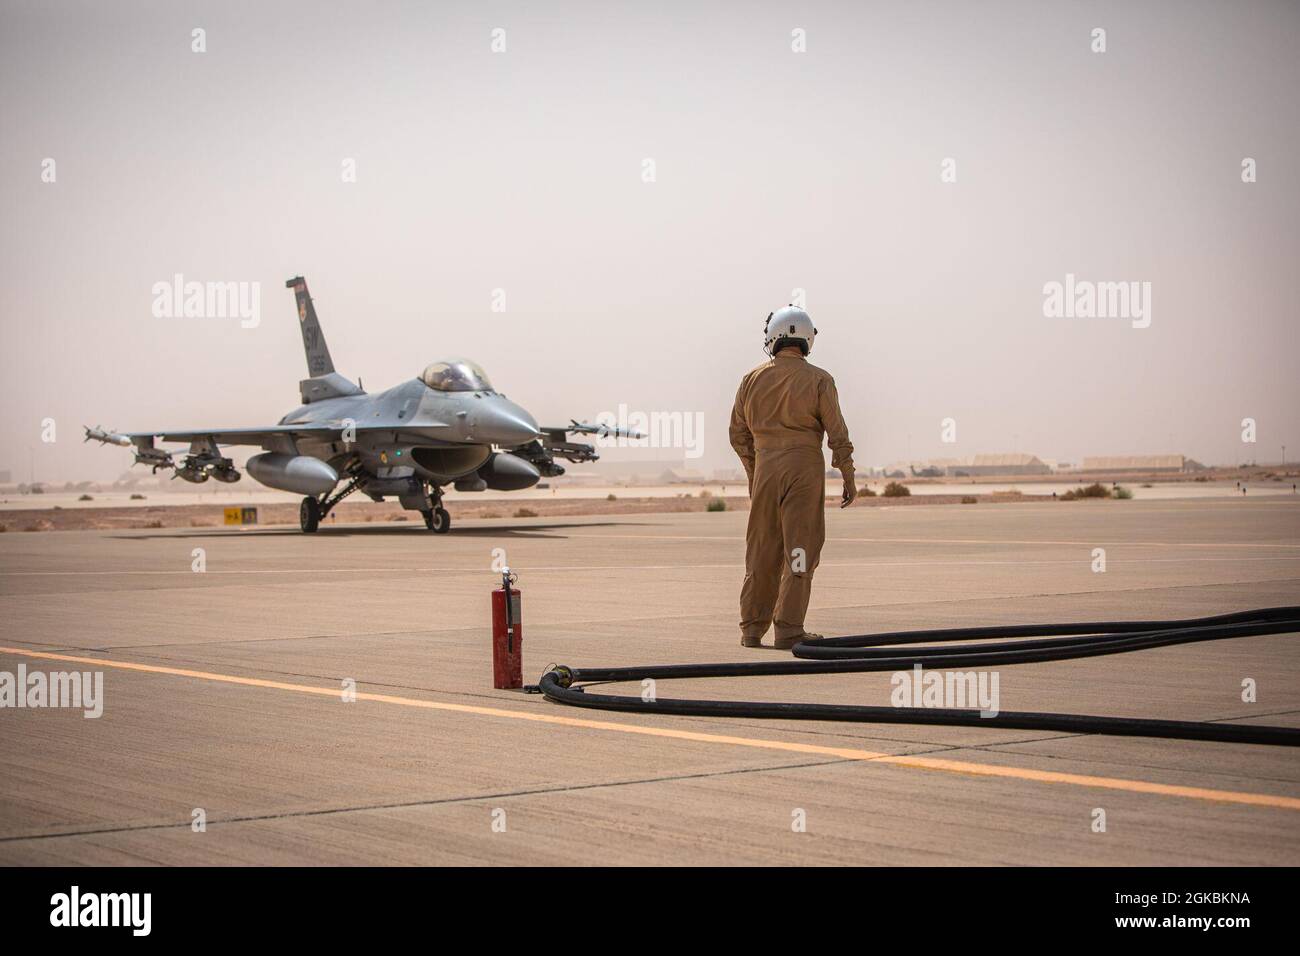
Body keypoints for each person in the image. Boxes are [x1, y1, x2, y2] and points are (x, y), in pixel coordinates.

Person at [728, 305, 855, 650]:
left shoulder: (751, 379)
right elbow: (837, 434)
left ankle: (751, 629)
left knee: (762, 551)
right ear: (807, 340)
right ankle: (788, 629)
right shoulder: (819, 379)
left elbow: (738, 435)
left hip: (766, 470)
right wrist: (848, 474)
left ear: (773, 337)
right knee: (799, 550)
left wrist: (756, 473)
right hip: (804, 472)